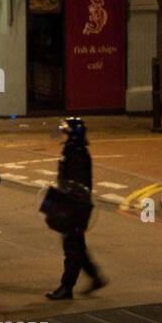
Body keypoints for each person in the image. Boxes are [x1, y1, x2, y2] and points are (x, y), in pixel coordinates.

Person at [47, 116, 108, 300]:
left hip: (76, 207)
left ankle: (66, 287)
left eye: (65, 132)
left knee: (72, 247)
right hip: (73, 206)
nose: (62, 135)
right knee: (77, 246)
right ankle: (95, 277)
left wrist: (66, 206)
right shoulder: (72, 150)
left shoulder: (77, 155)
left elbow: (76, 186)